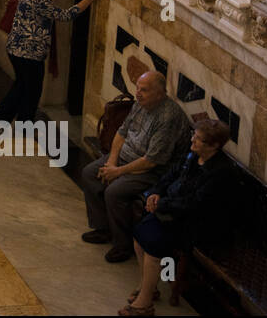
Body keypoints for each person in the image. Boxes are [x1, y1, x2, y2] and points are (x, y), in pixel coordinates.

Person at [122, 119, 238, 315]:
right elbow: (170, 175)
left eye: (198, 139)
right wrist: (155, 193)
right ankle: (149, 286)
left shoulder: (220, 172)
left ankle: (144, 304)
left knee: (152, 244)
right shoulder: (193, 155)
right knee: (139, 236)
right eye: (194, 135)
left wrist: (162, 203)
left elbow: (196, 203)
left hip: (198, 224)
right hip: (173, 212)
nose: (192, 140)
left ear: (214, 145)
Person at [80, 70, 192, 262]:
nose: (138, 93)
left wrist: (118, 172)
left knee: (114, 191)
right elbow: (121, 133)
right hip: (125, 158)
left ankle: (122, 245)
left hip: (151, 170)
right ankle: (103, 228)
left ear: (160, 93)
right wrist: (112, 161)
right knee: (90, 173)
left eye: (144, 90)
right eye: (138, 88)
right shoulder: (141, 104)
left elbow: (151, 160)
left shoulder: (168, 118)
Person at [0, 0, 97, 124]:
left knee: (21, 86)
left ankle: (2, 116)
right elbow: (65, 15)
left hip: (16, 49)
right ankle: (22, 124)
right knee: (32, 92)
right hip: (28, 53)